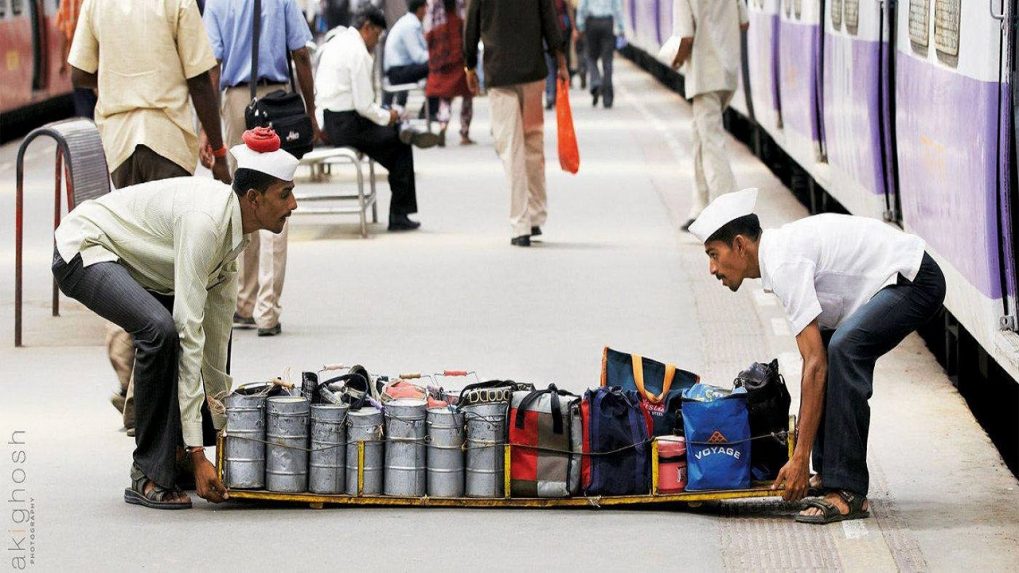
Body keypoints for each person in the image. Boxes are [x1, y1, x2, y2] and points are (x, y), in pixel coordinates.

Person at [51, 128, 300, 509]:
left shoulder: (234, 236)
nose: (294, 204)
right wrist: (202, 454)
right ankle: (148, 472)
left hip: (133, 259)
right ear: (253, 199)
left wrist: (221, 436)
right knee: (159, 331)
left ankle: (179, 458)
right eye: (285, 194)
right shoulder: (206, 224)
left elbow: (214, 342)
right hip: (84, 248)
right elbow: (186, 330)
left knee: (183, 335)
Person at [688, 188, 946, 524]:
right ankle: (829, 473)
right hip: (896, 279)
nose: (712, 268)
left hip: (914, 280)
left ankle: (848, 492)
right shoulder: (779, 256)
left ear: (739, 245)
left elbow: (815, 367)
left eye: (713, 254)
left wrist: (799, 457)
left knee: (844, 350)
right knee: (831, 346)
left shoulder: (784, 264)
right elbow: (815, 360)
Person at [68, 0, 231, 434]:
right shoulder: (175, 1)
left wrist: (118, 85)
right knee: (169, 272)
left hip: (120, 143)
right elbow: (200, 78)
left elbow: (79, 74)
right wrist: (217, 150)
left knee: (128, 260)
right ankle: (147, 398)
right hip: (166, 139)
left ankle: (128, 378)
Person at [202, 0, 318, 338]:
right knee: (277, 198)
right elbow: (300, 54)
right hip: (277, 104)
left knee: (242, 202)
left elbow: (212, 67)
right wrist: (311, 110)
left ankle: (244, 302)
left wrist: (205, 129)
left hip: (238, 104)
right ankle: (268, 310)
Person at [316, 5, 433, 231]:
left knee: (393, 134)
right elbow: (363, 105)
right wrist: (387, 116)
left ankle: (400, 126)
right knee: (400, 144)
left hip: (331, 120)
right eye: (377, 35)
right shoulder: (358, 52)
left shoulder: (336, 42)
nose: (377, 42)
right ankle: (399, 215)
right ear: (367, 28)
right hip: (348, 124)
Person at [465, 0, 567, 247]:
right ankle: (535, 216)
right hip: (532, 72)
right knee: (533, 142)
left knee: (512, 149)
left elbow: (471, 25)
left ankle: (520, 225)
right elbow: (550, 21)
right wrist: (560, 61)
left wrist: (469, 65)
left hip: (500, 74)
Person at [670, 0, 748, 231]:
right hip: (727, 71)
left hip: (705, 74)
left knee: (711, 142)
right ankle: (700, 207)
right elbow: (744, 23)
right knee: (700, 136)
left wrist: (675, 59)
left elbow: (686, 37)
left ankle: (730, 211)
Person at [425, 0, 473, 145]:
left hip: (442, 53)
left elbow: (428, 30)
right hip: (458, 50)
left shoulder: (433, 3)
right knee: (467, 94)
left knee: (445, 97)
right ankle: (464, 133)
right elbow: (467, 22)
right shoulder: (460, 4)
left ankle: (443, 125)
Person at [381, 0, 430, 110]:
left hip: (399, 69)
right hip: (397, 72)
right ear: (420, 9)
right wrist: (437, 57)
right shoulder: (410, 25)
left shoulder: (409, 22)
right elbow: (418, 56)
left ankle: (424, 110)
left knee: (432, 65)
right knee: (434, 67)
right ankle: (430, 111)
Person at [575, 0, 623, 109]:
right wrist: (621, 28)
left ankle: (596, 82)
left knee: (590, 57)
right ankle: (608, 98)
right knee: (607, 61)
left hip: (591, 23)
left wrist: (580, 26)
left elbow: (582, 6)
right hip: (607, 23)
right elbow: (617, 8)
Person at [55, 0, 97, 119]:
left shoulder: (67, 2)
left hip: (77, 61)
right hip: (99, 59)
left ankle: (89, 131)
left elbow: (63, 33)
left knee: (84, 107)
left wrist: (62, 61)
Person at [543, 0, 572, 110]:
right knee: (561, 59)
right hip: (562, 26)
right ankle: (555, 91)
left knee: (549, 63)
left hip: (548, 29)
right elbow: (569, 6)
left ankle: (550, 94)